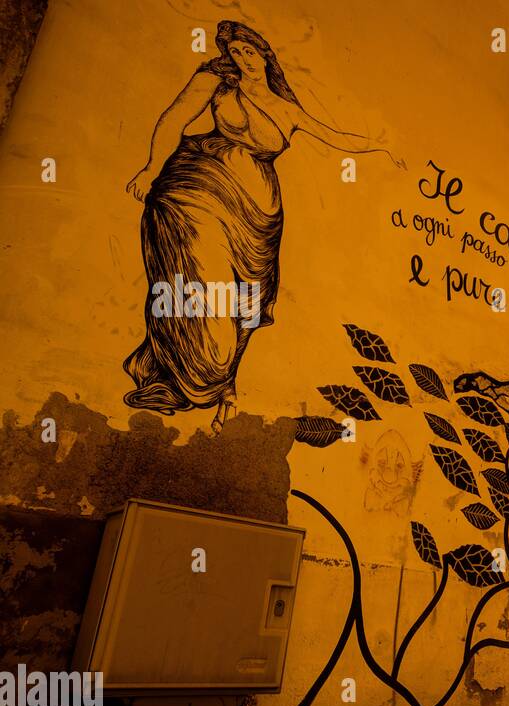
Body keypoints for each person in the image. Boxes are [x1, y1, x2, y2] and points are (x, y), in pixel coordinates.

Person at [124, 19, 403, 431]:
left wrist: (382, 147)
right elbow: (175, 117)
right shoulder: (217, 82)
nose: (242, 59)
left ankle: (217, 381)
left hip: (258, 212)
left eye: (249, 52)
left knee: (244, 303)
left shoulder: (287, 109)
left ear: (265, 55)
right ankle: (174, 374)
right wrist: (151, 167)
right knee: (193, 277)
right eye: (235, 52)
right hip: (204, 184)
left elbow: (337, 137)